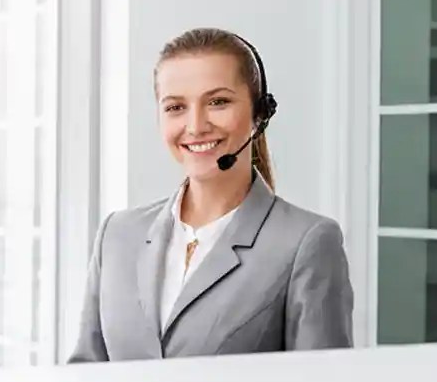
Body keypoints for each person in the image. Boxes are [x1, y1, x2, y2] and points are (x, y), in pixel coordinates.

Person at [68, 27, 353, 362]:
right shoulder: (117, 234)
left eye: (218, 102)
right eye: (175, 107)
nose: (196, 125)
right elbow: (84, 375)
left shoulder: (307, 243)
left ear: (260, 114)